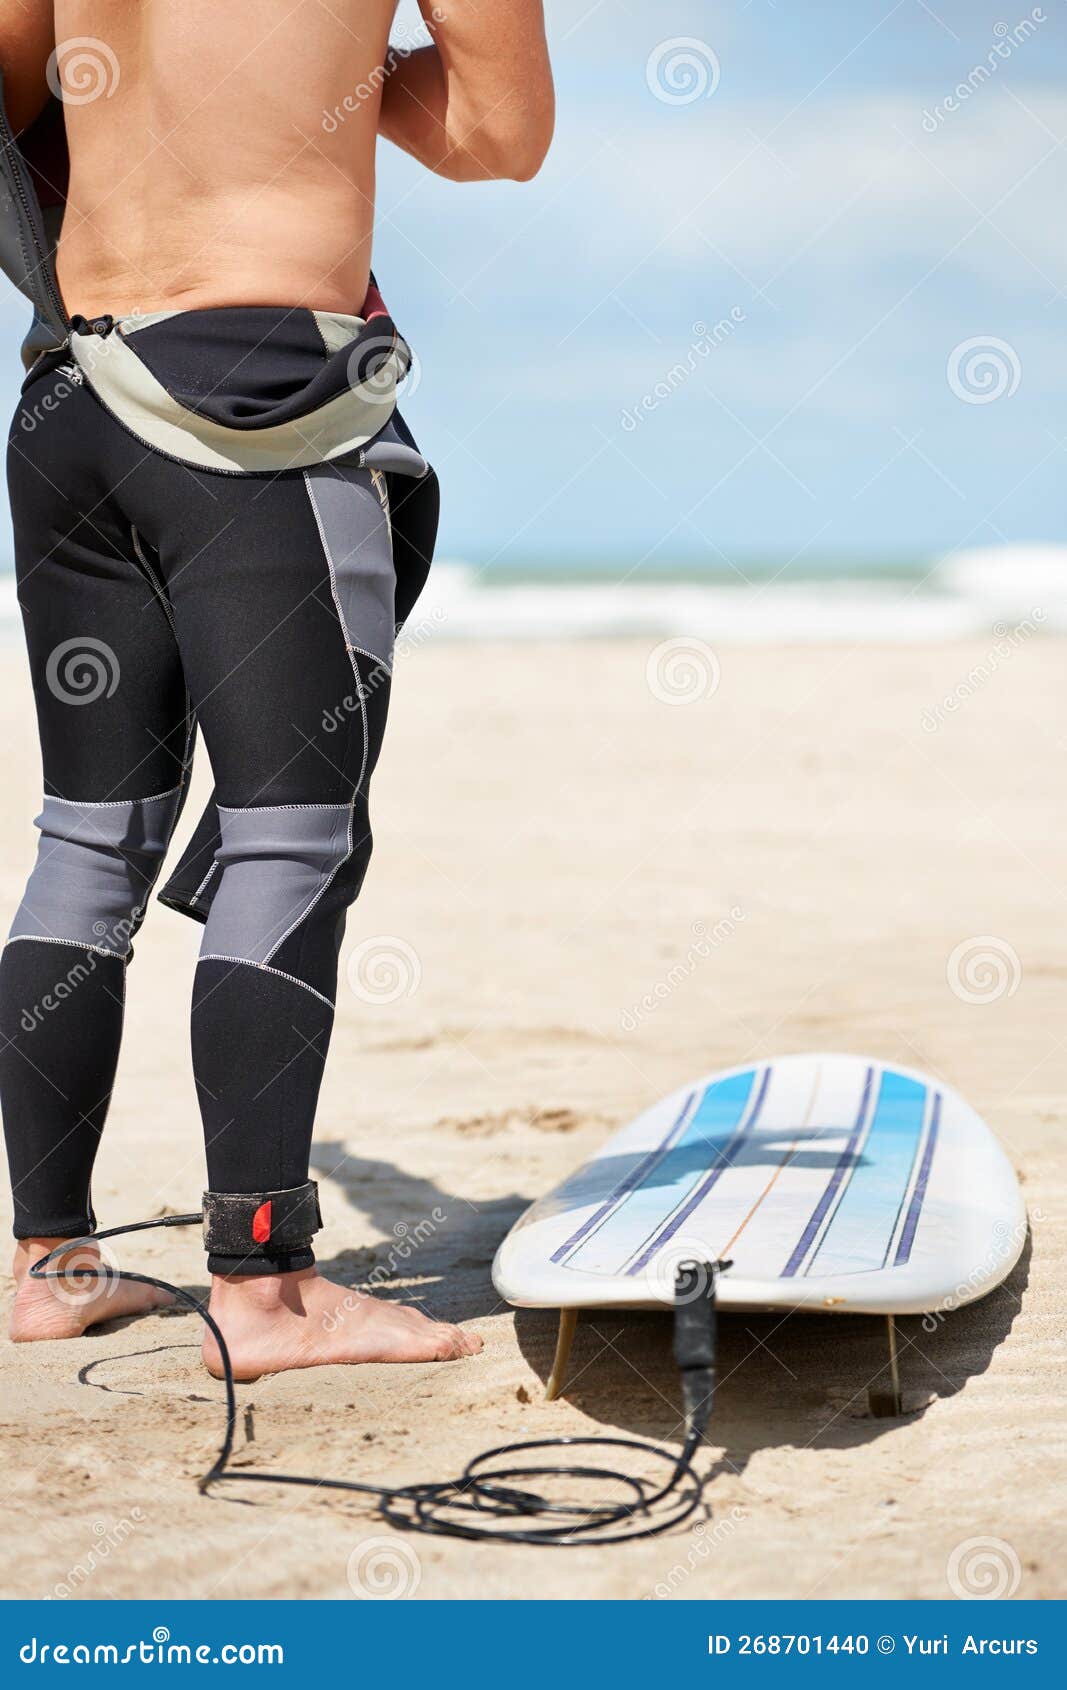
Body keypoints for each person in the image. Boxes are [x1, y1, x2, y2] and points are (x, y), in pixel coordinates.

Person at [0, 1, 553, 1377]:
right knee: (291, 839)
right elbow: (502, 132)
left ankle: (50, 1262)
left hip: (72, 399)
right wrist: (340, 79)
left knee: (86, 839)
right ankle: (266, 1288)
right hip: (257, 398)